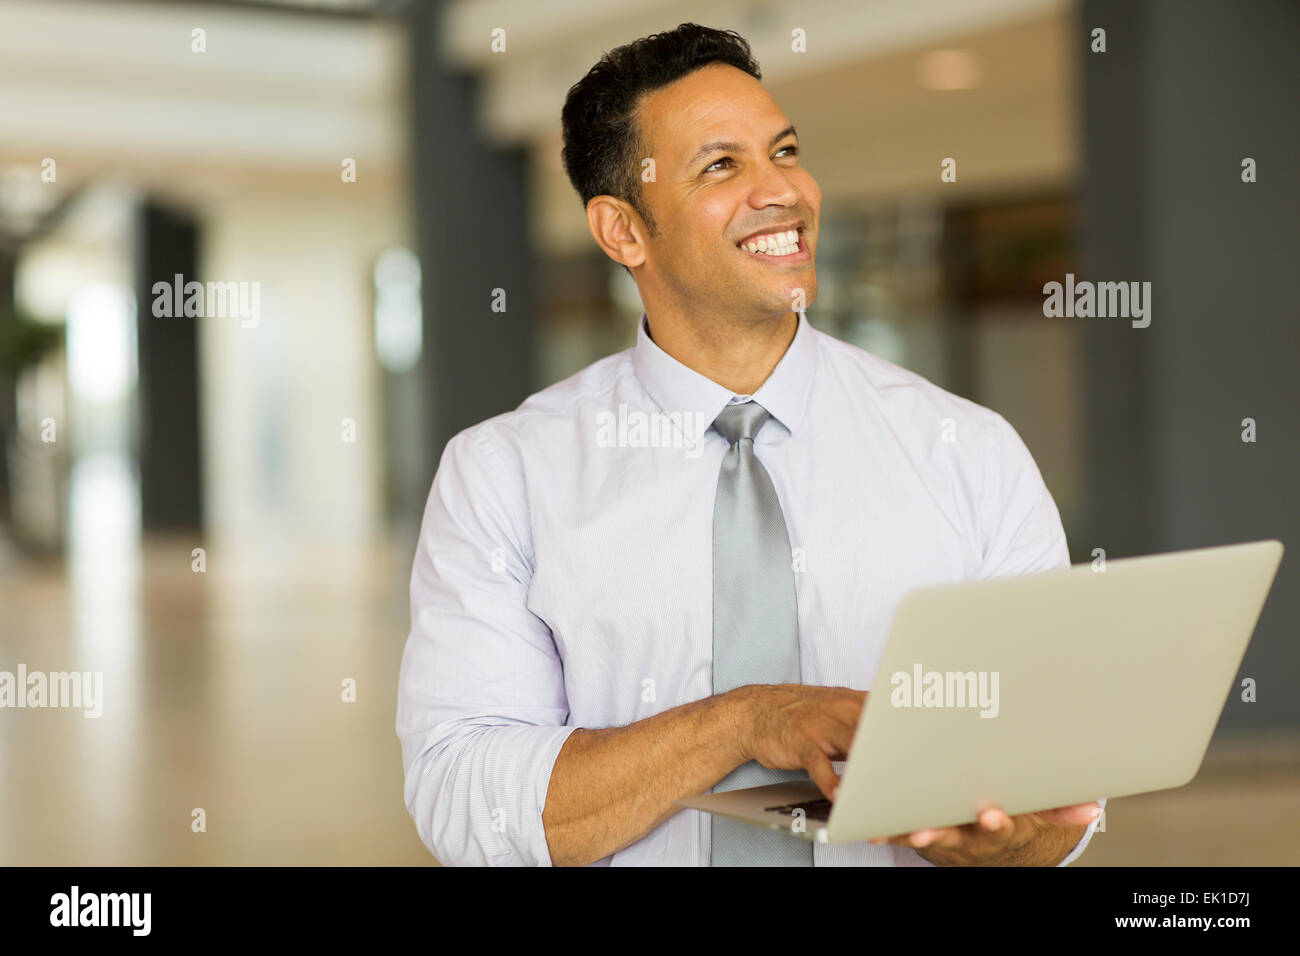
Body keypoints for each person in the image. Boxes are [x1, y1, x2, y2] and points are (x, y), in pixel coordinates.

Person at [396, 22, 1103, 866]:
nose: (783, 191)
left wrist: (1001, 845)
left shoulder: (969, 451)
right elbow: (468, 802)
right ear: (624, 231)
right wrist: (747, 720)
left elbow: (1060, 797)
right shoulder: (504, 475)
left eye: (785, 151)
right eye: (722, 166)